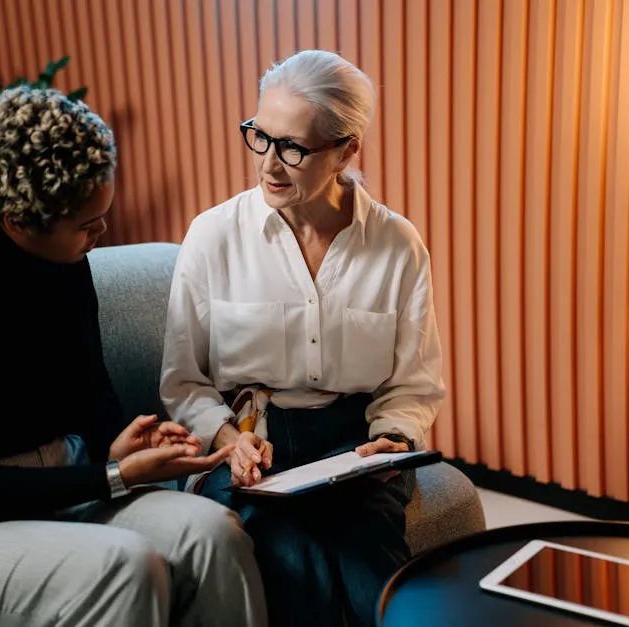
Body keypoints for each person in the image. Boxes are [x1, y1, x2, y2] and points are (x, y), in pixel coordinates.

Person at [0, 86, 267, 627]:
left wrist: (117, 444)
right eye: (88, 225)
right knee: (125, 567)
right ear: (18, 221)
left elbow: (89, 393)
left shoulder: (64, 261)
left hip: (54, 487)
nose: (103, 233)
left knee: (214, 535)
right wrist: (113, 476)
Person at [159, 49, 446, 627]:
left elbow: (412, 382)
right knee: (296, 568)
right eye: (259, 137)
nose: (269, 164)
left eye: (292, 147)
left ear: (346, 150)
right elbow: (184, 380)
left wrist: (394, 435)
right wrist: (226, 438)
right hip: (250, 442)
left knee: (381, 585)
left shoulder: (397, 244)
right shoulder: (213, 235)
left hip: (356, 445)